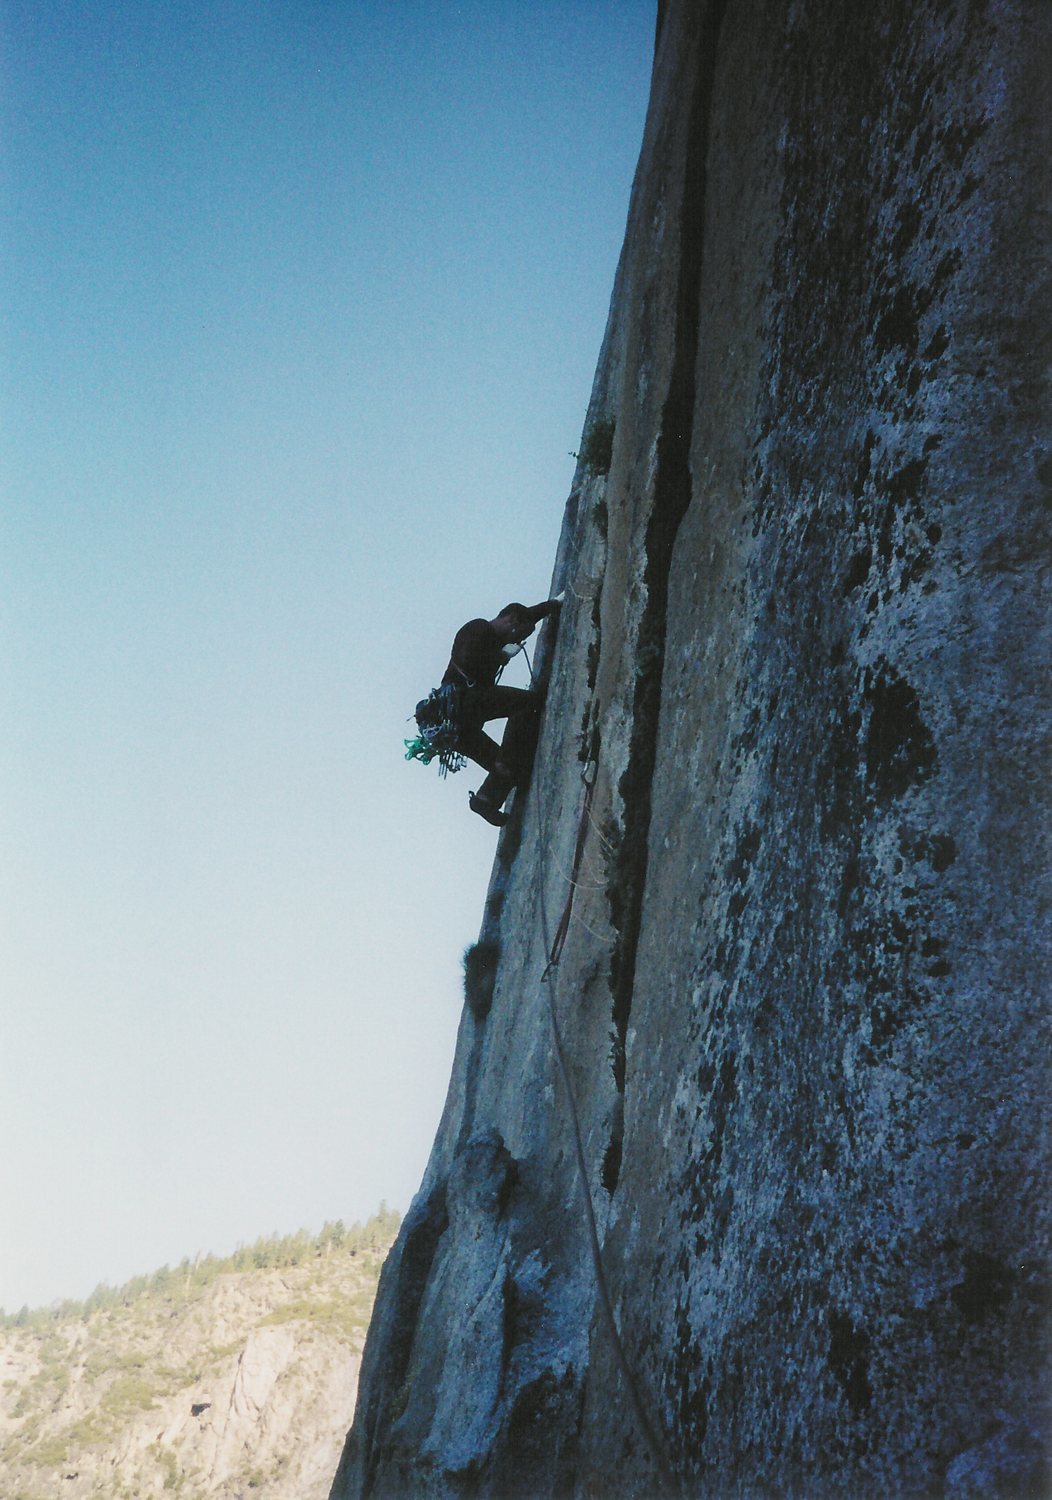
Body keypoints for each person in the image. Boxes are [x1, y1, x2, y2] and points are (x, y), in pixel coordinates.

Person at [440, 597, 561, 825]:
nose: (517, 639)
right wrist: (502, 655)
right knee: (526, 702)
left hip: (458, 727)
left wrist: (553, 605)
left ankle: (485, 801)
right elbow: (469, 657)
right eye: (518, 634)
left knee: (509, 768)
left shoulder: (498, 631)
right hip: (463, 702)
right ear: (510, 620)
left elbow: (527, 615)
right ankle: (498, 779)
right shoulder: (479, 627)